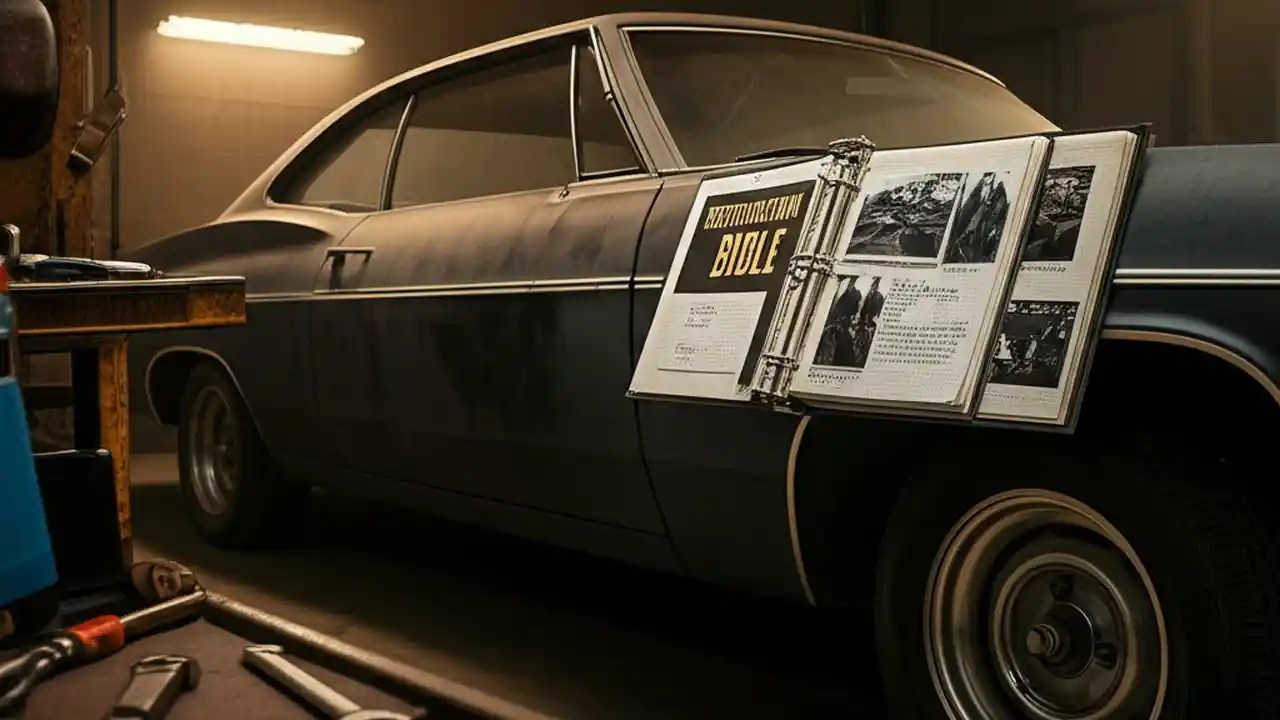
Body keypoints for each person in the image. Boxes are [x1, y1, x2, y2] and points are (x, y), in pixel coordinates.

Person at [814, 277, 862, 367]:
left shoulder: (844, 334)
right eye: (854, 315)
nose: (857, 317)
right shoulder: (833, 333)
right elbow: (826, 361)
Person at [850, 277, 885, 368]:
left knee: (866, 347)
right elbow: (863, 310)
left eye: (874, 286)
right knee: (858, 345)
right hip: (863, 326)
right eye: (872, 285)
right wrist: (860, 323)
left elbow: (879, 312)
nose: (872, 287)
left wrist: (874, 321)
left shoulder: (879, 297)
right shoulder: (868, 296)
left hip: (870, 327)